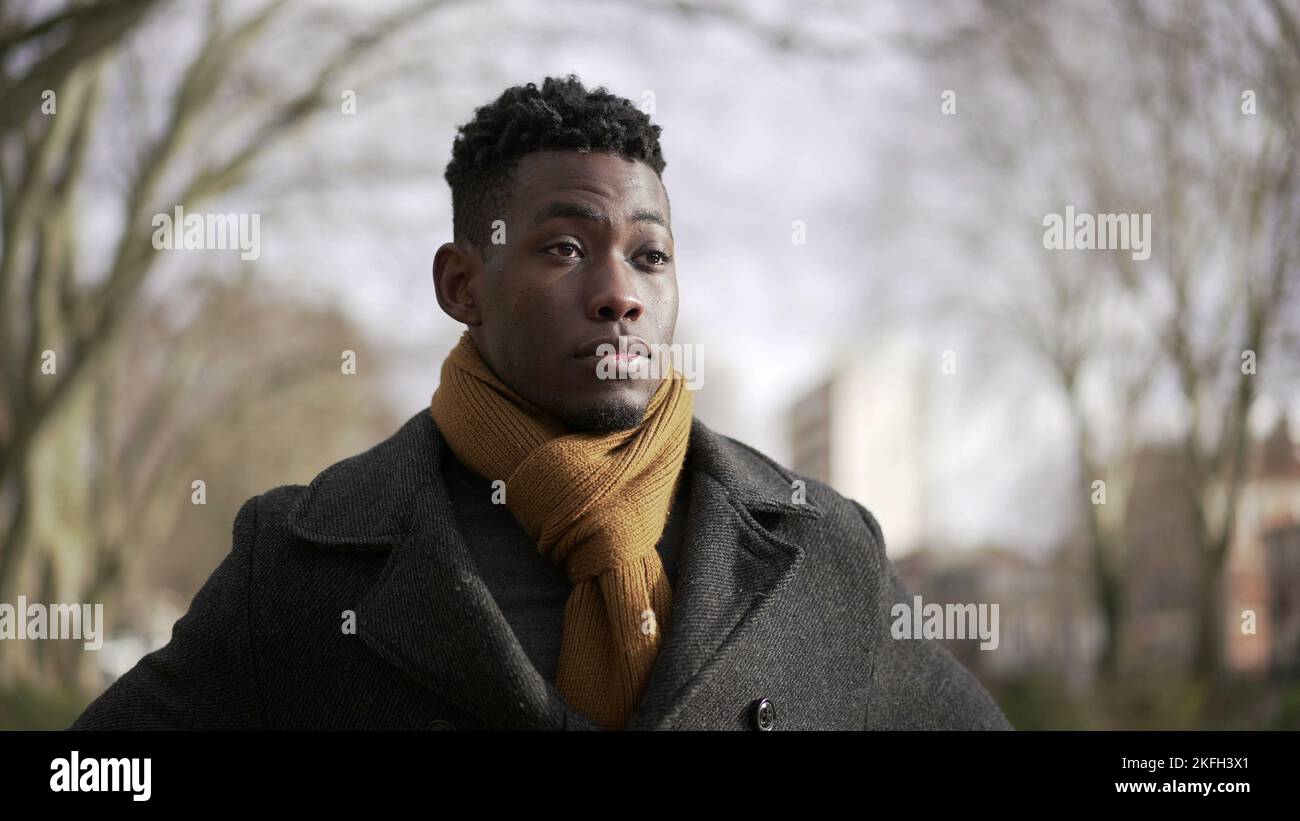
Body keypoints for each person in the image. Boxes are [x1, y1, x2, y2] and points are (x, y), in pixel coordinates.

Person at [70, 74, 1012, 731]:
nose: (620, 292)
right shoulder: (301, 565)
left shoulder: (822, 555)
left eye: (650, 254)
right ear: (461, 284)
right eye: (564, 248)